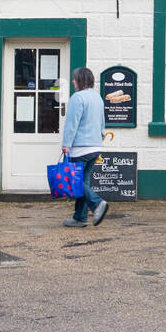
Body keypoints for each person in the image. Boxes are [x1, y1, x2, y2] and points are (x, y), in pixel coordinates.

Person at [61, 66, 109, 228]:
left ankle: (97, 203)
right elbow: (102, 122)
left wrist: (66, 144)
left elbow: (71, 123)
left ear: (80, 80)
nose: (73, 81)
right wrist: (100, 135)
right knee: (83, 182)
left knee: (75, 181)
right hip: (96, 146)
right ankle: (80, 218)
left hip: (80, 147)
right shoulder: (98, 98)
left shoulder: (77, 97)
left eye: (74, 78)